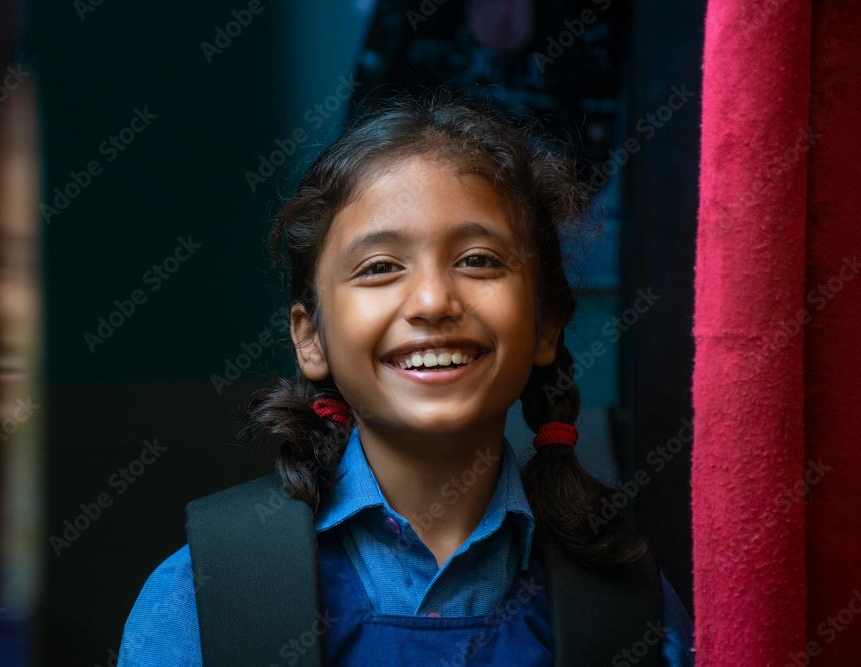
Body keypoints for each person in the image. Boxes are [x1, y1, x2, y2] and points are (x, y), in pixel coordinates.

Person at [117, 91, 695, 665]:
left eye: (478, 260)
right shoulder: (205, 599)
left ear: (546, 324)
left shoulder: (631, 610)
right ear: (309, 337)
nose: (432, 301)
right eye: (380, 268)